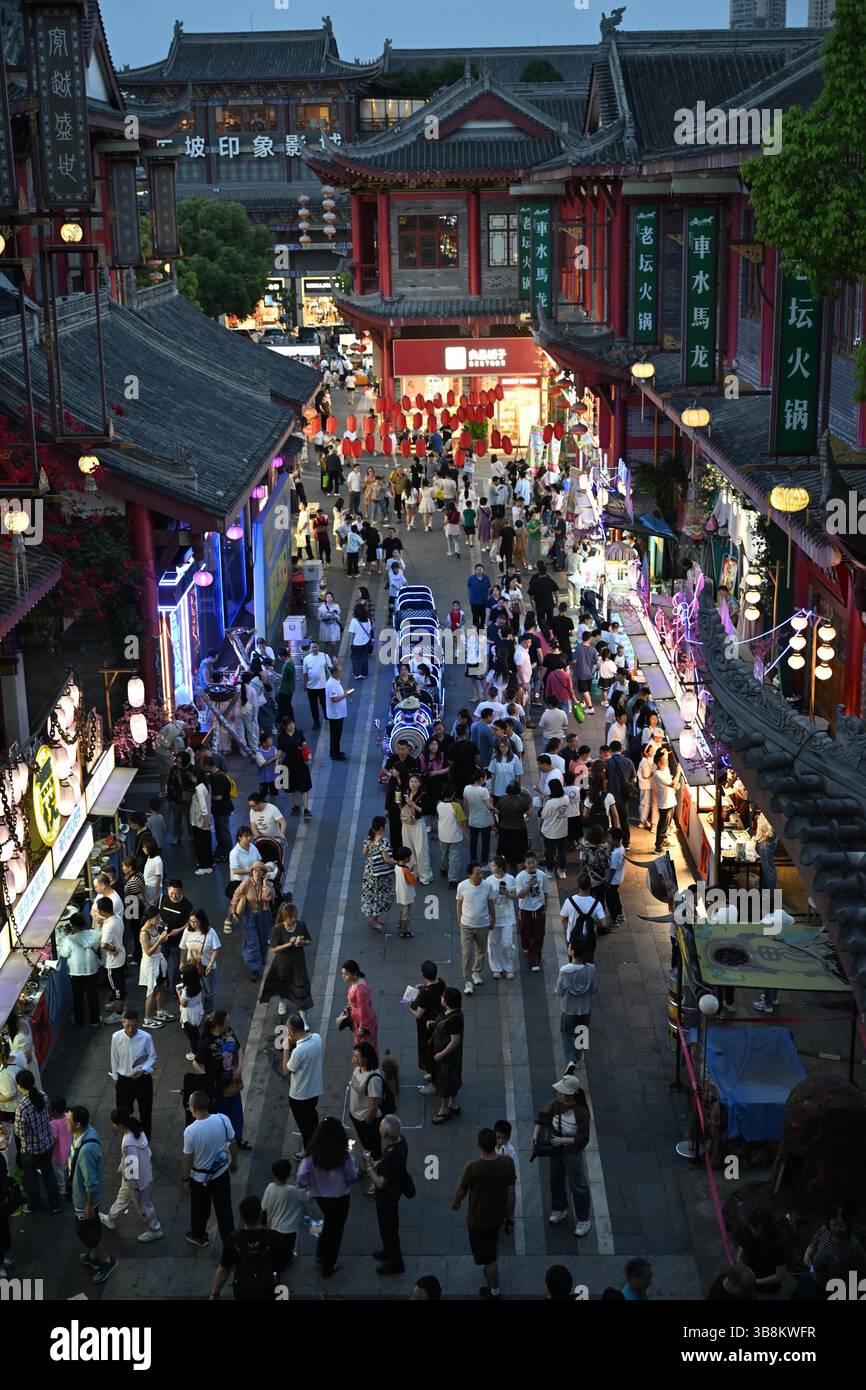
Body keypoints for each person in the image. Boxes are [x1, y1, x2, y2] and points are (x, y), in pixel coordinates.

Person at [452, 1127, 516, 1299]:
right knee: (492, 1243)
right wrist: (509, 1216)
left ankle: (495, 1290)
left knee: (488, 1258)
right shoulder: (507, 1163)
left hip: (478, 1220)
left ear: (479, 1145)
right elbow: (511, 1193)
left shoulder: (472, 1168)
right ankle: (490, 1267)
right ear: (495, 1143)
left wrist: (455, 1202)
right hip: (498, 1216)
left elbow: (461, 1191)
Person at [296, 1118, 358, 1278]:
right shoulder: (342, 1157)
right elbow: (351, 1176)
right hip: (341, 1199)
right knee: (336, 1232)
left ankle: (320, 1256)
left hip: (321, 1199)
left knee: (328, 1224)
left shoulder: (311, 1157)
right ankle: (329, 1266)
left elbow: (301, 1180)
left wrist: (312, 1185)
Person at [533, 1074, 592, 1238]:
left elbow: (583, 1139)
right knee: (555, 1179)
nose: (558, 1094)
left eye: (562, 1092)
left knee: (578, 1185)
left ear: (571, 1094)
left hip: (572, 1151)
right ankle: (559, 1208)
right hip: (557, 1149)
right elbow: (542, 1116)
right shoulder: (556, 1104)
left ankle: (583, 1219)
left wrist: (563, 1140)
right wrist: (535, 1134)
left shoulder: (581, 1113)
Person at [66, 1105, 116, 1284]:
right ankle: (94, 1255)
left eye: (69, 1121)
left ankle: (105, 1260)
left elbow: (91, 1183)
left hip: (83, 1200)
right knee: (92, 1225)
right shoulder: (83, 1135)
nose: (66, 1122)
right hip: (82, 1196)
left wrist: (88, 1205)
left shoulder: (86, 1150)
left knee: (84, 1231)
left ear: (78, 1124)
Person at [182, 1090, 237, 1248]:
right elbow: (233, 1142)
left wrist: (185, 1179)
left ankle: (199, 1235)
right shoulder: (222, 1119)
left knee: (200, 1209)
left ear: (193, 1107)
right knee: (224, 1209)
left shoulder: (191, 1131)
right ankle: (230, 1242)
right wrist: (234, 1162)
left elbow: (187, 1159)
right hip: (221, 1173)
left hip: (200, 1179)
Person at [100, 1109, 162, 1242]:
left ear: (121, 1125)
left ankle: (154, 1229)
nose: (113, 1126)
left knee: (143, 1206)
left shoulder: (127, 1142)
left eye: (114, 1123)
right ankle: (110, 1218)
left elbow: (132, 1167)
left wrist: (134, 1186)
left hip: (136, 1181)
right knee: (122, 1197)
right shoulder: (137, 1130)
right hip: (140, 1174)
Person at [193, 1012, 250, 1150]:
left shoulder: (228, 1032)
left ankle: (238, 1140)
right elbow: (196, 1062)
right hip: (219, 1088)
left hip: (234, 1083)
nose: (229, 1026)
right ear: (218, 1026)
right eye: (227, 1023)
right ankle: (225, 1144)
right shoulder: (207, 1043)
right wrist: (206, 1076)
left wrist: (239, 1068)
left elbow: (239, 1048)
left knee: (237, 1115)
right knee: (223, 1118)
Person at [210, 1193, 282, 1300]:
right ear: (261, 1214)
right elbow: (283, 1262)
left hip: (243, 1290)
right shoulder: (273, 1237)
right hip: (267, 1289)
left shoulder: (233, 1239)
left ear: (242, 1217)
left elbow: (223, 1269)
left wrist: (214, 1294)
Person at [365, 1114, 411, 1275]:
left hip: (387, 1197)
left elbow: (380, 1183)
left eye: (381, 1127)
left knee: (389, 1229)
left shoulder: (392, 1157)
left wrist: (368, 1169)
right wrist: (378, 1163)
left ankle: (395, 1263)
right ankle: (387, 1251)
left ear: (385, 1135)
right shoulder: (401, 1141)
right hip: (395, 1189)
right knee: (387, 1229)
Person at [13, 1070, 61, 1213]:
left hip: (30, 1149)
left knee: (30, 1177)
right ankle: (55, 1204)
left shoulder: (22, 1107)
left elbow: (19, 1132)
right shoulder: (44, 1096)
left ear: (20, 1086)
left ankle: (34, 1204)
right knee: (48, 1172)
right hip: (46, 1142)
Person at [281, 1014, 324, 1158]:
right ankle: (316, 1142)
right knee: (312, 1118)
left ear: (292, 1031)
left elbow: (286, 1071)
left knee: (305, 1126)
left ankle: (308, 1151)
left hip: (299, 1096)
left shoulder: (299, 1051)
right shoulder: (317, 1038)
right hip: (314, 1090)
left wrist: (286, 1048)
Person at [109, 1009, 157, 1139]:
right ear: (122, 1023)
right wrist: (116, 1076)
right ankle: (129, 1137)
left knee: (146, 1112)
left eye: (134, 1025)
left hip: (143, 1080)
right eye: (127, 1025)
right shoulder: (116, 1037)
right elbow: (114, 1058)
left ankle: (146, 1139)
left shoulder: (146, 1037)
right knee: (124, 1113)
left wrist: (144, 1069)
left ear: (138, 1023)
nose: (130, 1029)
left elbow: (152, 1057)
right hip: (124, 1080)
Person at [263, 902, 313, 1021]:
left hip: (298, 962)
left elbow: (309, 940)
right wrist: (288, 944)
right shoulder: (278, 929)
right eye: (291, 917)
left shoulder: (301, 925)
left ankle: (302, 1017)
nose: (294, 919)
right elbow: (274, 948)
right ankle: (282, 1001)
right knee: (283, 984)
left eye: (295, 916)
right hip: (283, 962)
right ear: (285, 917)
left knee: (301, 988)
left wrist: (302, 942)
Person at [230, 860, 276, 982]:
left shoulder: (268, 885)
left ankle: (260, 960)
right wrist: (233, 910)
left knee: (262, 939)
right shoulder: (246, 882)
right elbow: (236, 895)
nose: (257, 872)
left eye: (260, 871)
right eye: (255, 870)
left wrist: (265, 884)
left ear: (263, 873)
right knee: (252, 941)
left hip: (264, 915)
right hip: (249, 915)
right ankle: (254, 968)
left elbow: (269, 898)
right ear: (252, 872)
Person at [262, 1158, 311, 1270]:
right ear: (288, 1174)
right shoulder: (292, 1190)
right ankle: (288, 1260)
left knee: (276, 1246)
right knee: (288, 1248)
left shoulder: (269, 1188)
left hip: (273, 1226)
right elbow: (305, 1198)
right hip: (289, 1229)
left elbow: (263, 1207)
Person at [456, 862, 496, 995]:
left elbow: (490, 902)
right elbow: (459, 903)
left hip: (483, 925)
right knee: (466, 954)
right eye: (477, 873)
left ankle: (476, 972)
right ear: (470, 875)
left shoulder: (487, 885)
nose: (480, 875)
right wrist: (459, 919)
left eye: (481, 873)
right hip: (466, 925)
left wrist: (493, 918)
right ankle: (467, 981)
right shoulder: (462, 886)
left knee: (481, 951)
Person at [556, 938, 597, 1067]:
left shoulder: (565, 971)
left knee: (566, 1033)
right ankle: (578, 1057)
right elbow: (594, 989)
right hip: (585, 1008)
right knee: (582, 1031)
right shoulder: (591, 969)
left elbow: (559, 990)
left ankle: (570, 1060)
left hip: (569, 1008)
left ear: (572, 952)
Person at [56, 912, 102, 1026]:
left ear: (73, 926)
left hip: (76, 972)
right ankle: (95, 1020)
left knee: (78, 997)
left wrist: (69, 936)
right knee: (93, 996)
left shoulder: (69, 939)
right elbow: (96, 946)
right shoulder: (93, 934)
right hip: (92, 969)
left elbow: (65, 954)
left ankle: (79, 1020)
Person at [409, 961, 446, 1091]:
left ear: (423, 974)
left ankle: (433, 1083)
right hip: (438, 1020)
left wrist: (410, 1005)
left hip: (427, 1026)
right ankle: (432, 1074)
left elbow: (418, 1014)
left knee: (429, 1051)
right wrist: (423, 987)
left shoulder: (425, 994)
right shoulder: (441, 983)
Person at [734, 1207, 787, 1298]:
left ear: (767, 1228)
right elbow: (742, 1251)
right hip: (748, 1284)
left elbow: (780, 1275)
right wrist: (740, 1267)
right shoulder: (748, 1233)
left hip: (768, 1291)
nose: (754, 1232)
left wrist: (756, 1282)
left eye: (758, 1229)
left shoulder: (777, 1244)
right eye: (752, 1228)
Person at [348, 1040, 385, 1164]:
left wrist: (366, 1123)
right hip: (356, 1115)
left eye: (357, 1057)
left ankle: (375, 1168)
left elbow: (374, 1105)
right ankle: (367, 1164)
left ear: (367, 1058)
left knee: (373, 1148)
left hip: (365, 1120)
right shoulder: (358, 1068)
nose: (354, 1059)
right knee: (366, 1144)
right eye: (354, 1055)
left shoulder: (373, 1079)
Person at [179, 907, 221, 1014]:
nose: (193, 924)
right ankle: (196, 1009)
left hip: (206, 967)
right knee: (192, 988)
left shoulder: (210, 932)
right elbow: (183, 948)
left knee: (208, 992)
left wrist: (211, 963)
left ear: (202, 920)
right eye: (191, 921)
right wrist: (182, 962)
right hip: (192, 966)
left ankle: (208, 1012)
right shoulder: (187, 931)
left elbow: (216, 949)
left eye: (195, 921)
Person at [803, 1207, 866, 1276]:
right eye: (834, 1225)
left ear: (848, 1226)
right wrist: (807, 1255)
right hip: (816, 1274)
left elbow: (862, 1264)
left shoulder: (853, 1245)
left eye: (842, 1226)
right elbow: (812, 1245)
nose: (837, 1229)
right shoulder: (823, 1230)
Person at [516, 851, 550, 971]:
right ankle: (526, 945)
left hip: (538, 907)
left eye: (533, 862)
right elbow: (520, 895)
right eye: (529, 863)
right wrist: (529, 885)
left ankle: (534, 960)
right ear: (525, 864)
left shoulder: (542, 875)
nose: (531, 865)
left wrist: (545, 905)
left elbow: (545, 891)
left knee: (538, 934)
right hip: (525, 909)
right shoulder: (520, 877)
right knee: (524, 932)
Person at [94, 894, 127, 1020]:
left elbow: (103, 944)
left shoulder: (109, 926)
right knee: (119, 986)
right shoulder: (116, 917)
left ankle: (118, 1014)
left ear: (102, 911)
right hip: (120, 958)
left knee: (117, 988)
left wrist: (113, 949)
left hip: (113, 962)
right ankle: (118, 1005)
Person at [560, 872, 606, 961]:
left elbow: (563, 919)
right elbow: (604, 924)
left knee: (573, 962)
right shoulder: (596, 904)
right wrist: (596, 922)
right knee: (588, 962)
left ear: (578, 885)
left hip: (573, 939)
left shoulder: (569, 901)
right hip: (589, 939)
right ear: (590, 885)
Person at [361, 817, 397, 931]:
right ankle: (373, 920)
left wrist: (372, 860)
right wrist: (397, 862)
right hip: (380, 875)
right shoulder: (383, 841)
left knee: (372, 896)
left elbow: (364, 853)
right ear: (381, 827)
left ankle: (375, 918)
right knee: (380, 896)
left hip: (369, 872)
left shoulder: (369, 837)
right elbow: (386, 860)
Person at [486, 856, 517, 980]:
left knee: (507, 943)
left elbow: (514, 896)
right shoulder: (488, 880)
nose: (491, 867)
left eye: (493, 865)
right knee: (493, 943)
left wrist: (506, 893)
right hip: (493, 916)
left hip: (508, 916)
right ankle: (496, 968)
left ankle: (508, 967)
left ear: (500, 867)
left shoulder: (510, 879)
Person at [399, 774, 433, 885]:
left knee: (421, 850)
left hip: (418, 824)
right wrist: (400, 803)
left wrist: (413, 804)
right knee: (408, 848)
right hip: (406, 824)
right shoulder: (406, 793)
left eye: (415, 782)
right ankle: (412, 872)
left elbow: (425, 811)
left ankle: (425, 876)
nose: (413, 784)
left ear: (419, 783)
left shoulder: (424, 795)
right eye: (411, 782)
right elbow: (403, 807)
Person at [338, 960, 378, 1052]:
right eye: (342, 974)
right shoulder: (357, 982)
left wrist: (362, 1028)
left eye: (346, 974)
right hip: (358, 1020)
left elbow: (363, 1011)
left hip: (363, 1023)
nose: (343, 976)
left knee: (365, 1049)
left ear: (354, 974)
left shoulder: (360, 990)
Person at [496, 781, 532, 871]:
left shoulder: (502, 799)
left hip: (505, 828)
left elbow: (497, 811)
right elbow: (530, 813)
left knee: (508, 853)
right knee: (521, 851)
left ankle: (511, 872)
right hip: (519, 828)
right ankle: (524, 871)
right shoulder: (522, 800)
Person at [653, 747, 681, 853]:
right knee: (663, 826)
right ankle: (658, 846)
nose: (667, 760)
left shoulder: (666, 769)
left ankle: (664, 841)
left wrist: (665, 752)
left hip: (671, 801)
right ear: (659, 762)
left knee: (667, 824)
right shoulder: (657, 774)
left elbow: (672, 784)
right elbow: (673, 783)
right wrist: (678, 771)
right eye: (665, 759)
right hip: (664, 804)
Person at [302, 641, 332, 729]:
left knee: (324, 703)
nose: (314, 649)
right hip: (311, 687)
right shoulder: (306, 659)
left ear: (319, 647)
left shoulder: (324, 656)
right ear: (310, 648)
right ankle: (316, 721)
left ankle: (327, 716)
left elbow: (330, 668)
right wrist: (305, 685)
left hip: (323, 686)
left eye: (316, 647)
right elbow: (305, 673)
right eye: (313, 647)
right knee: (313, 705)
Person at [177, 966, 205, 1061]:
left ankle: (195, 1052)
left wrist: (178, 993)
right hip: (197, 1009)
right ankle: (199, 1047)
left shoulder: (186, 991)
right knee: (195, 1031)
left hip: (189, 1012)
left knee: (191, 1035)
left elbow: (183, 1004)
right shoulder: (198, 984)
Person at [324, 661, 351, 761]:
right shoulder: (331, 684)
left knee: (337, 734)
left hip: (338, 714)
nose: (341, 673)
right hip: (335, 715)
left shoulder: (336, 681)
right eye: (340, 671)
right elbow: (334, 699)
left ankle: (336, 751)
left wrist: (344, 693)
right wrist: (345, 695)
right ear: (334, 672)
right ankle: (334, 754)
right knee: (335, 735)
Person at [188, 770, 214, 874]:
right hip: (203, 821)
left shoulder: (198, 789)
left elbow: (203, 806)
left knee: (200, 844)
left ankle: (204, 866)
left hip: (199, 821)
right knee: (206, 843)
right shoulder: (206, 786)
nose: (191, 778)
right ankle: (209, 862)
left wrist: (205, 821)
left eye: (192, 776)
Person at [347, 604, 374, 680]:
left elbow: (352, 633)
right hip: (366, 642)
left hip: (356, 643)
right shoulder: (368, 620)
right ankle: (364, 673)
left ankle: (358, 673)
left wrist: (350, 643)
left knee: (355, 658)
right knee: (364, 658)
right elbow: (369, 631)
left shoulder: (354, 621)